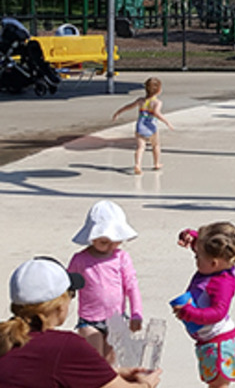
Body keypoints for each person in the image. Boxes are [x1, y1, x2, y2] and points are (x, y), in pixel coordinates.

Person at [0, 257, 161, 387]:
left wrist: (110, 373)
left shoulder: (6, 337)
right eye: (71, 294)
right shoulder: (65, 345)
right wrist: (147, 383)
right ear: (59, 305)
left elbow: (38, 370)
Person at [174, 223, 235, 387]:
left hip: (220, 343)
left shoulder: (222, 283)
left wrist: (189, 313)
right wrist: (189, 235)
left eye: (197, 258)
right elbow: (204, 246)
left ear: (213, 263)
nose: (196, 258)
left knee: (218, 385)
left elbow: (218, 312)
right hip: (210, 340)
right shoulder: (215, 265)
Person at [67, 201, 143, 363]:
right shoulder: (80, 260)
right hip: (89, 320)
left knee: (109, 365)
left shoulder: (121, 258)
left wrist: (137, 313)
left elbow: (131, 286)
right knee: (94, 361)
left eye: (115, 241)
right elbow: (68, 287)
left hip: (116, 319)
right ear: (91, 237)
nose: (110, 246)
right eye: (104, 242)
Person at [112, 78, 175, 175]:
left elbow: (129, 106)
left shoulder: (140, 101)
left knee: (140, 147)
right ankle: (156, 163)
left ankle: (137, 164)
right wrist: (167, 122)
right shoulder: (157, 103)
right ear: (159, 90)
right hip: (151, 127)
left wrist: (119, 112)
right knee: (156, 145)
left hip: (140, 127)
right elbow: (156, 113)